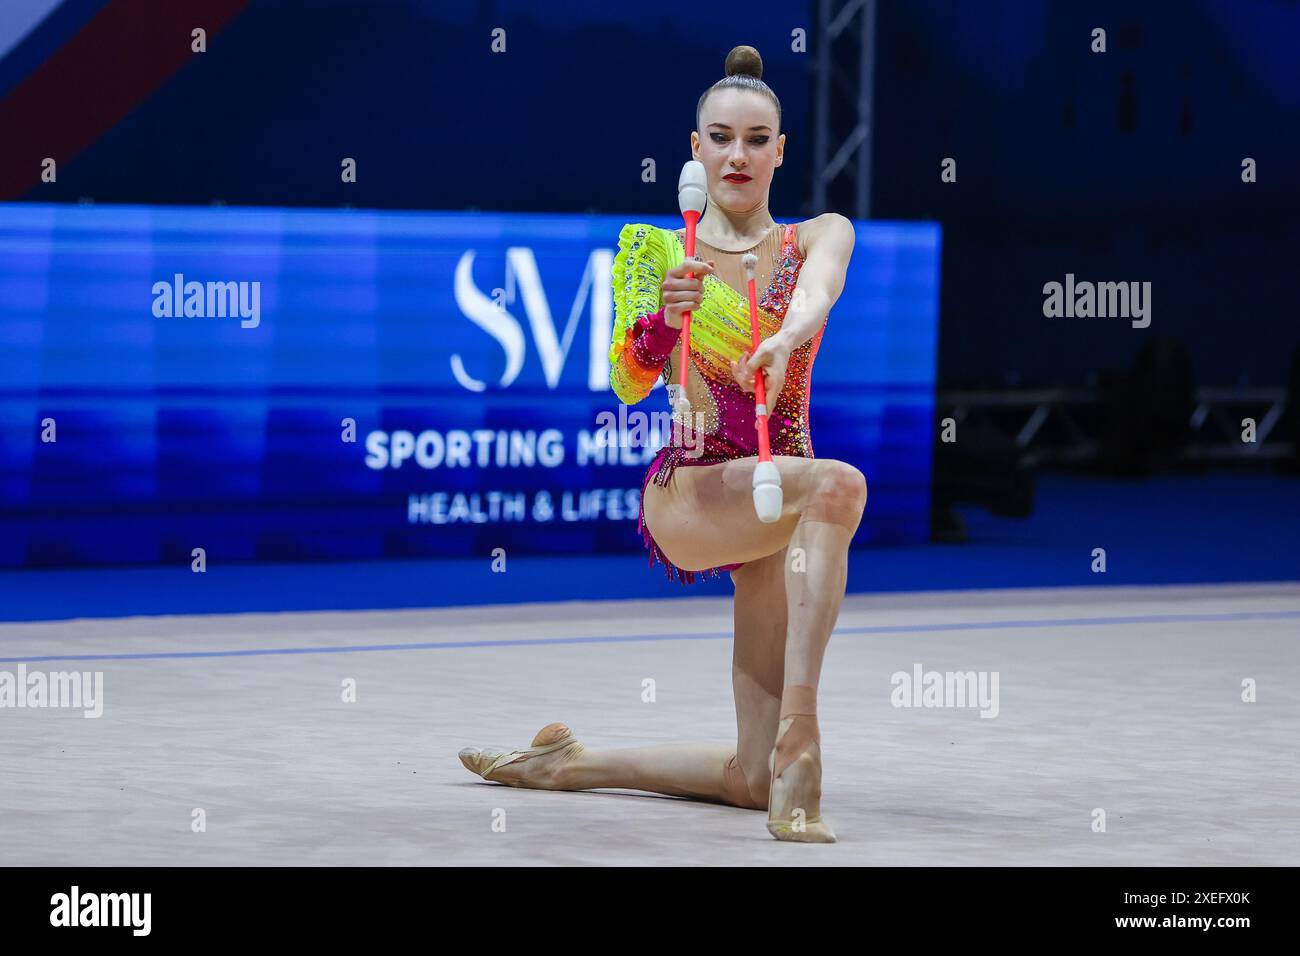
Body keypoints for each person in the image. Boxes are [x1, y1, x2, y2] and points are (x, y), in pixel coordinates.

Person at [459, 44, 863, 843]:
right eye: (720, 137)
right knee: (840, 487)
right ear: (695, 148)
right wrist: (661, 321)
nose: (737, 155)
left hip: (771, 507)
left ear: (781, 152)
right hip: (690, 491)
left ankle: (571, 763)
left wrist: (790, 334)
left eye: (756, 140)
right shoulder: (655, 249)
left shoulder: (817, 236)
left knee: (750, 785)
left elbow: (819, 292)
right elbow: (627, 380)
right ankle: (803, 731)